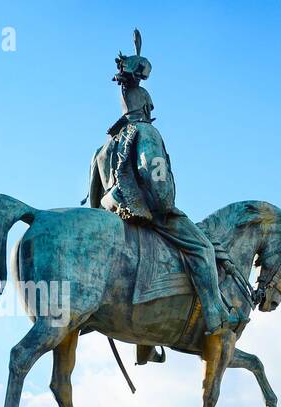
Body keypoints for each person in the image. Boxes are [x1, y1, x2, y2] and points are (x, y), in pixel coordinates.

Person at [86, 32, 245, 343]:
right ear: (146, 104)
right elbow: (154, 175)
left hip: (113, 211)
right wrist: (166, 205)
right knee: (202, 248)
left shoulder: (106, 146)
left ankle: (144, 346)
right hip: (146, 210)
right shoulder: (146, 133)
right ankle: (215, 316)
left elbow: (93, 195)